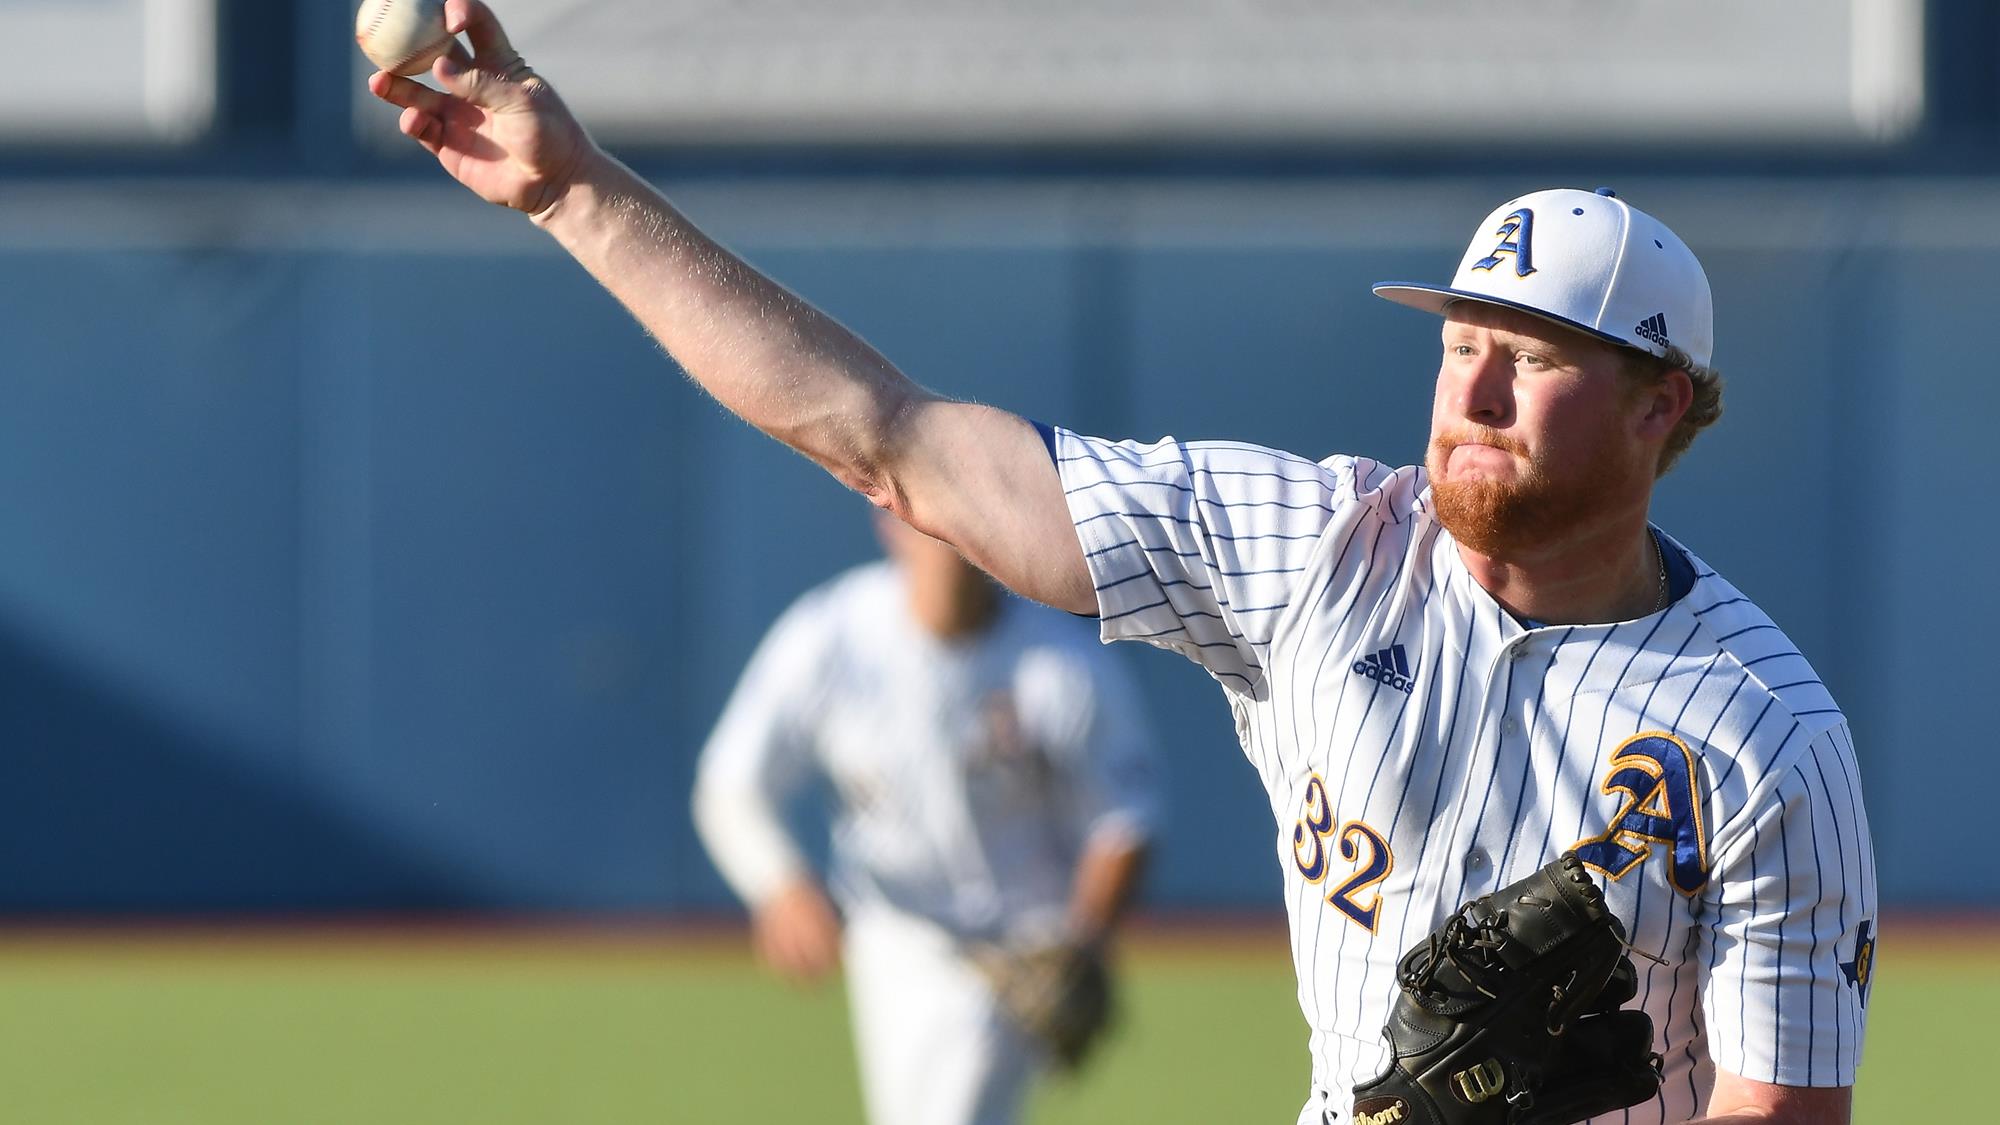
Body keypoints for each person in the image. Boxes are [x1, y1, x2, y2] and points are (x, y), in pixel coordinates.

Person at [367, 6, 1875, 1121]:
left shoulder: (1766, 735)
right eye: (1460, 342)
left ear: (1661, 405)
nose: (1469, 390)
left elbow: (1788, 1110)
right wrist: (576, 193)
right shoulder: (1315, 553)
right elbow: (892, 440)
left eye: (1532, 359)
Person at [690, 515, 1160, 1125]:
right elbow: (730, 783)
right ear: (889, 522)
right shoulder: (834, 636)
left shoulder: (1061, 662)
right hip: (893, 940)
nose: (948, 538)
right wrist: (779, 883)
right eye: (927, 512)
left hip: (1021, 946)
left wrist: (1085, 939)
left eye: (962, 514)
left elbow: (1125, 820)